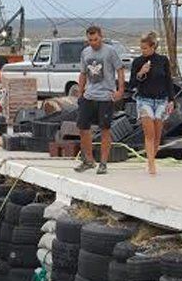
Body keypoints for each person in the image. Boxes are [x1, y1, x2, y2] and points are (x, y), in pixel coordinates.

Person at [74, 25, 125, 174]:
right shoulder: (85, 52)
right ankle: (88, 159)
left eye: (95, 39)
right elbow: (83, 73)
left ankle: (103, 162)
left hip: (105, 96)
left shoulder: (110, 51)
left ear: (101, 37)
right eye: (90, 40)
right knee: (83, 128)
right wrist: (80, 91)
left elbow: (120, 69)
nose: (93, 43)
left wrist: (120, 90)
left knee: (105, 129)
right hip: (89, 95)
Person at [130, 32, 174, 175]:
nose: (143, 51)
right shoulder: (137, 62)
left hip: (161, 100)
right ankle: (151, 164)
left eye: (145, 48)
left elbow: (168, 81)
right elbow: (132, 83)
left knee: (157, 134)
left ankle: (152, 158)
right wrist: (141, 73)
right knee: (149, 133)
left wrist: (171, 100)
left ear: (153, 46)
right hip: (144, 100)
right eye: (141, 48)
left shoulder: (163, 60)